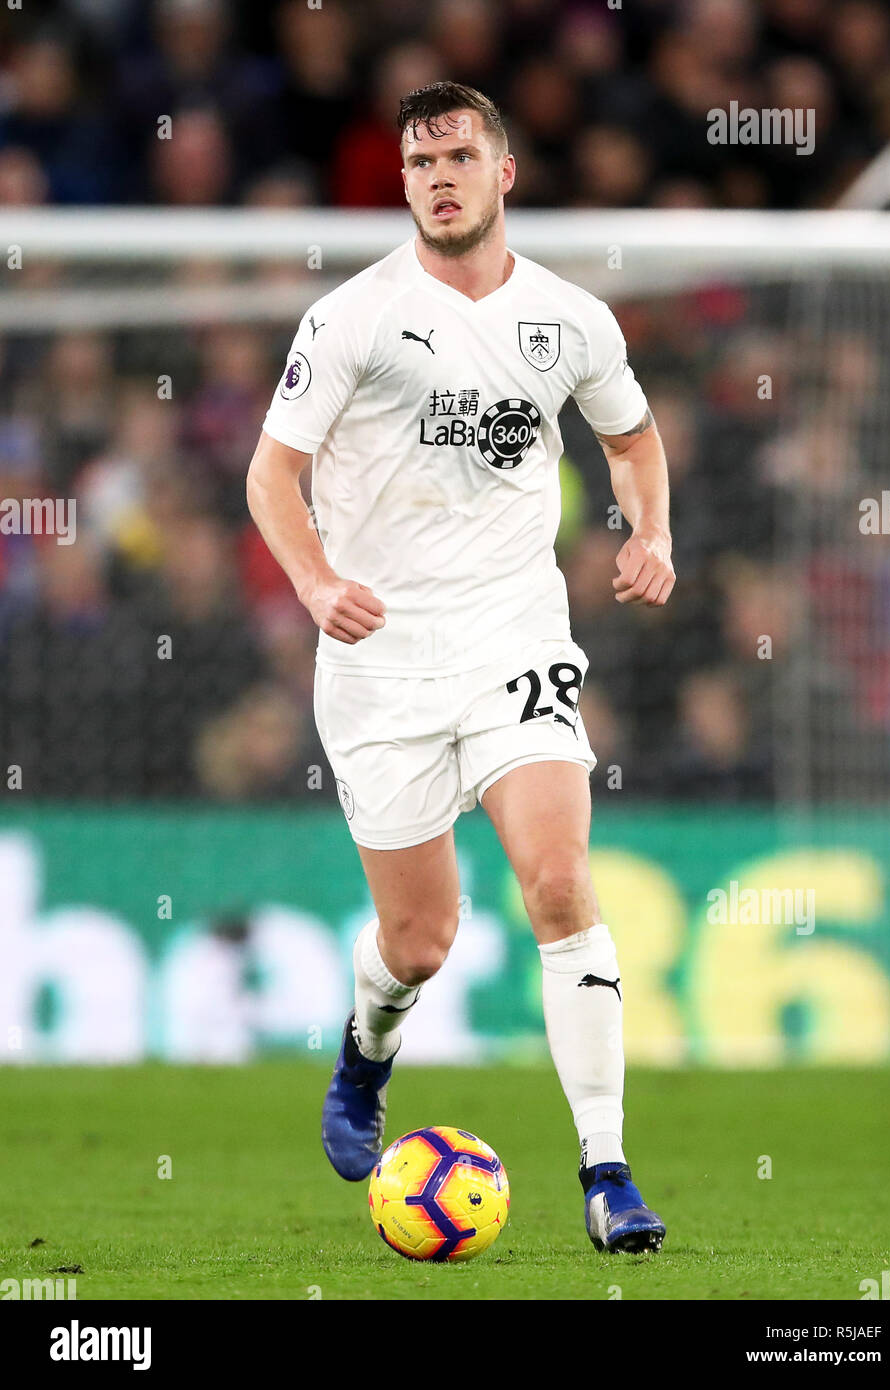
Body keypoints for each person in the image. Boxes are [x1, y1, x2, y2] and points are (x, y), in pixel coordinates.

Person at [246, 81, 675, 1254]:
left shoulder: (572, 319)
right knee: (422, 938)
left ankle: (606, 1169)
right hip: (377, 653)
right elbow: (268, 479)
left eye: (456, 154)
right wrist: (317, 582)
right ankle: (365, 1050)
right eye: (416, 161)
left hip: (512, 634)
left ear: (503, 171)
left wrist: (651, 532)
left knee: (556, 884)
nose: (435, 175)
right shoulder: (352, 320)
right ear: (404, 184)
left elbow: (630, 437)